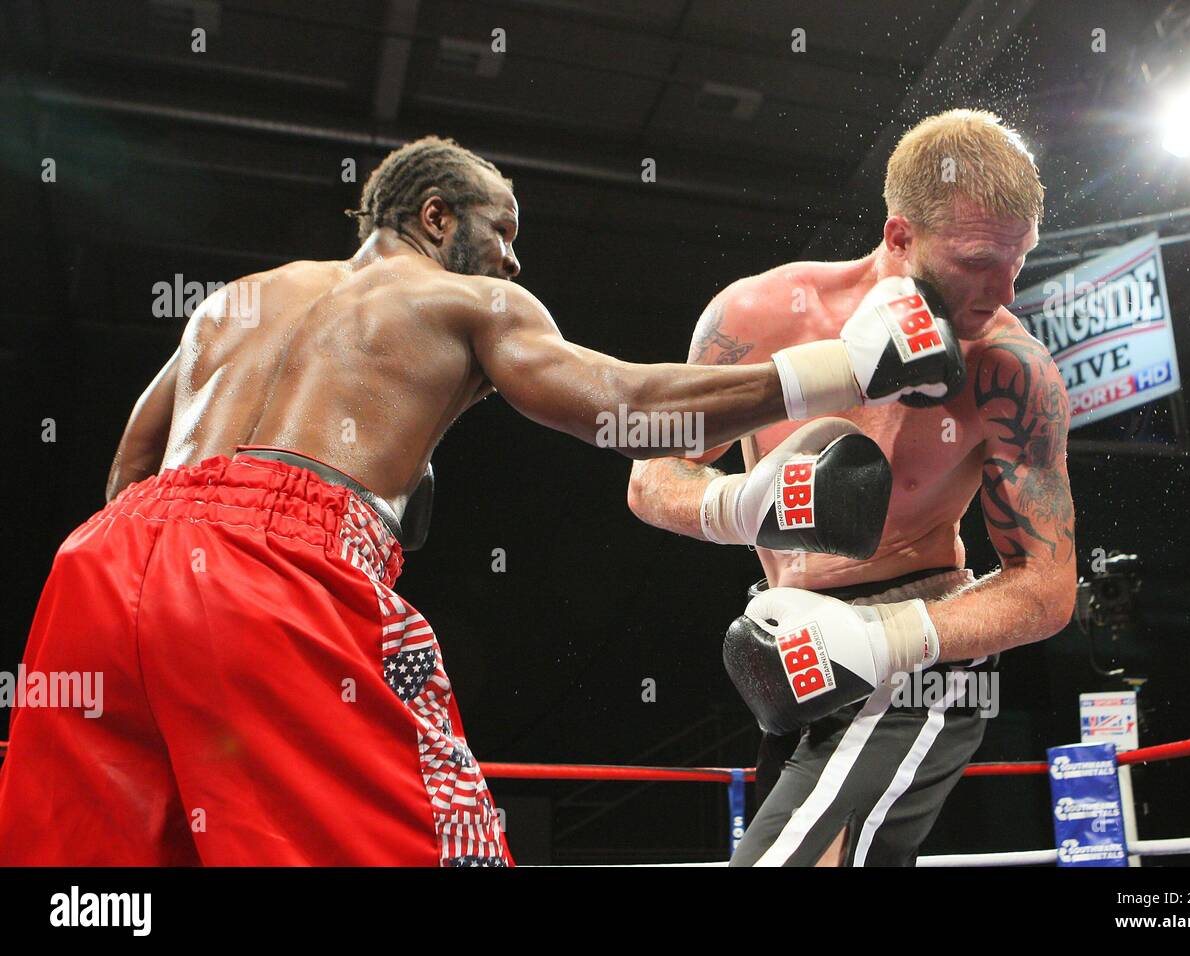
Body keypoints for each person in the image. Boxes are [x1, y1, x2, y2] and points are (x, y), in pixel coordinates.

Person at [0, 135, 962, 866]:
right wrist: (846, 366)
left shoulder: (237, 299)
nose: (512, 261)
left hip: (105, 568)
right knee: (442, 840)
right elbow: (622, 410)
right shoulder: (469, 304)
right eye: (503, 233)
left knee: (99, 875)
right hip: (277, 561)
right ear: (434, 218)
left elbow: (130, 471)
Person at [627, 109, 1078, 867]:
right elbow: (649, 473)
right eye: (976, 261)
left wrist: (884, 639)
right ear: (900, 236)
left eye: (1019, 259)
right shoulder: (760, 314)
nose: (1001, 291)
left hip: (922, 650)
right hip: (787, 645)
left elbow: (1048, 587)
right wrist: (738, 505)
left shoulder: (1011, 369)